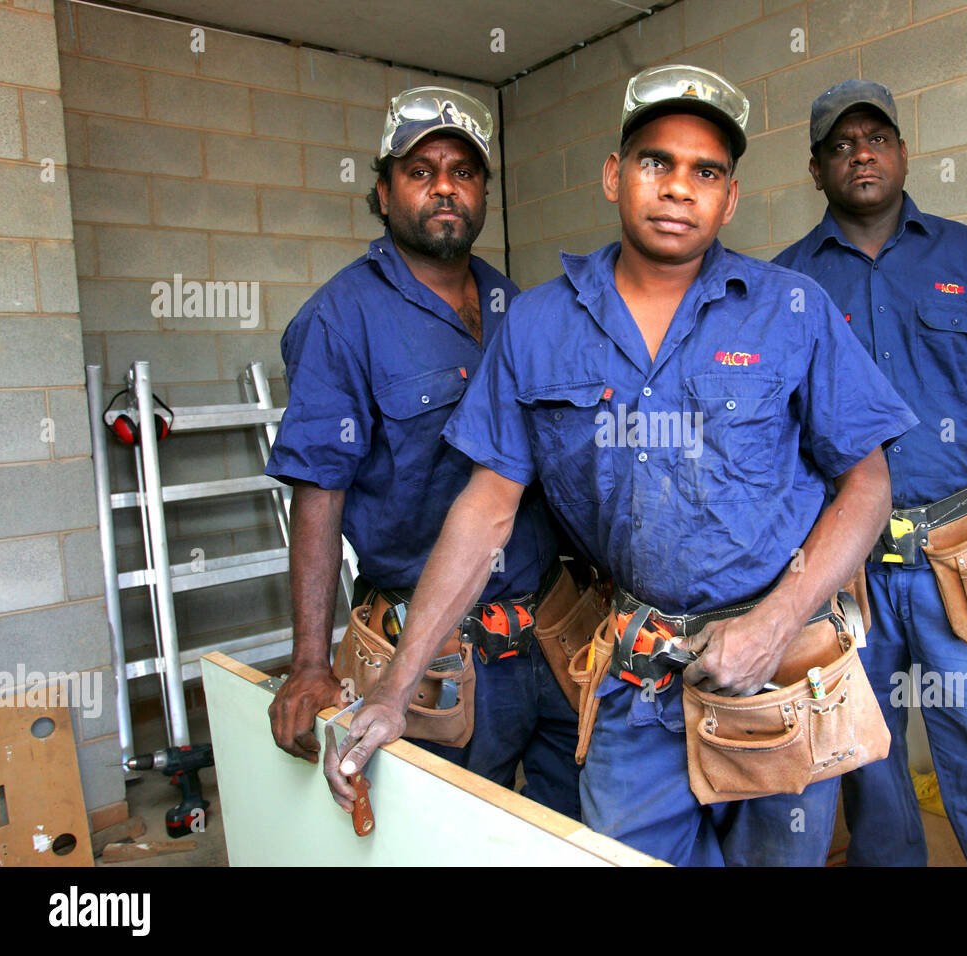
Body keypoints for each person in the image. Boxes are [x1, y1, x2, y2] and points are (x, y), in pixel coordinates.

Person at [324, 64, 917, 867]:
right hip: (637, 678)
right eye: (655, 163)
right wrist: (396, 684)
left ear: (730, 198)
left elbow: (869, 480)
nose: (679, 189)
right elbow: (486, 507)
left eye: (705, 171)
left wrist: (776, 620)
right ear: (614, 176)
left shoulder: (790, 309)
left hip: (778, 672)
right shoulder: (538, 325)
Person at [264, 86, 581, 819]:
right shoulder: (341, 319)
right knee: (453, 838)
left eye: (464, 171)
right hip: (438, 657)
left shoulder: (515, 305)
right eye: (421, 169)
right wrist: (310, 661)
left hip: (550, 637)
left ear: (483, 193)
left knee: (576, 834)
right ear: (383, 191)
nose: (445, 185)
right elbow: (318, 489)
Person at [774, 79, 967, 866]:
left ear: (902, 152)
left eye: (875, 139)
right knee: (867, 760)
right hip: (847, 569)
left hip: (961, 557)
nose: (859, 154)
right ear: (815, 169)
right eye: (839, 145)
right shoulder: (786, 287)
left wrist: (947, 476)